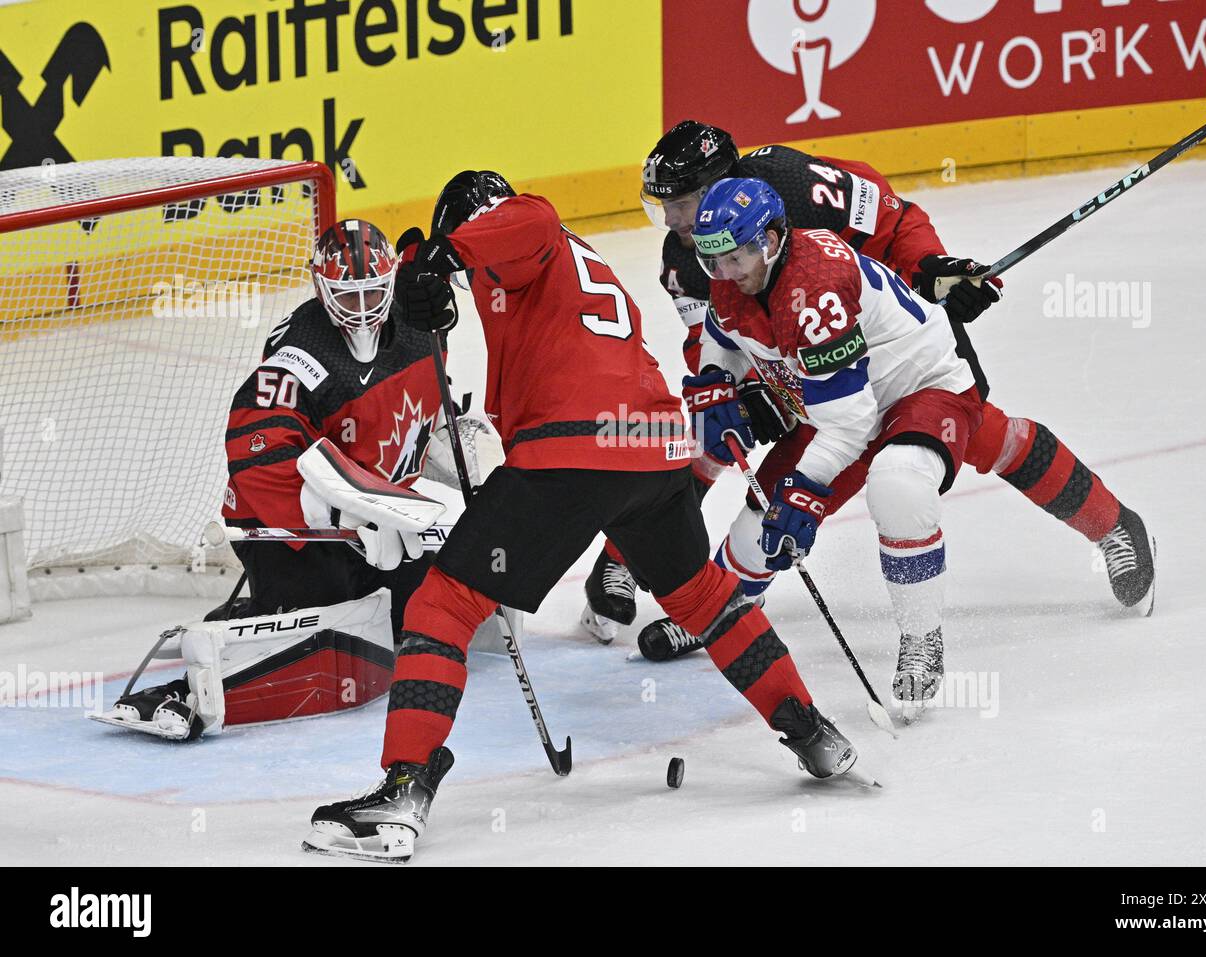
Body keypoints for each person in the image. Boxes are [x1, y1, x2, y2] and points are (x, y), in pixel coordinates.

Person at [301, 172, 858, 864]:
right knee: (704, 597)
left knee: (442, 604)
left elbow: (527, 220)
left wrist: (447, 254)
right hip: (650, 447)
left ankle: (402, 792)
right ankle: (809, 729)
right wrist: (434, 272)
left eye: (465, 241)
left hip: (575, 449)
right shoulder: (561, 265)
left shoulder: (526, 226)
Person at [582, 120, 1156, 657]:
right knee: (721, 441)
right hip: (811, 364)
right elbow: (710, 339)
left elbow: (893, 219)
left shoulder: (788, 180)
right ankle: (663, 577)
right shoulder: (690, 259)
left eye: (681, 204)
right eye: (664, 208)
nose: (674, 223)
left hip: (899, 342)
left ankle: (1113, 525)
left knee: (975, 438)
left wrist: (932, 267)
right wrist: (737, 387)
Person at [98, 220, 480, 741]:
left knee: (416, 619)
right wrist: (347, 511)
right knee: (327, 645)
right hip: (293, 529)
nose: (364, 304)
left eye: (374, 290)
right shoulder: (300, 353)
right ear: (320, 287)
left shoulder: (421, 320)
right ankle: (193, 676)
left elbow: (421, 407)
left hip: (380, 522)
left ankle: (257, 610)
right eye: (349, 293)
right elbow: (258, 456)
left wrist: (448, 439)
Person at [688, 176, 980, 707]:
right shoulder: (737, 267)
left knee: (899, 489)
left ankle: (921, 637)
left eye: (734, 260)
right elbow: (722, 332)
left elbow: (851, 423)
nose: (725, 275)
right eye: (715, 263)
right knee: (758, 528)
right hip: (838, 404)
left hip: (919, 389)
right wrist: (715, 377)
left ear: (771, 241)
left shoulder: (814, 288)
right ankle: (716, 613)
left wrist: (806, 489)